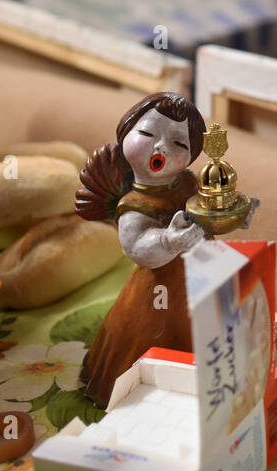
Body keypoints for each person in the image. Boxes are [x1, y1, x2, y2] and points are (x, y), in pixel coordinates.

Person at [74, 92, 207, 407]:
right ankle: (146, 399)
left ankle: (195, 393)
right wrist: (168, 240)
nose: (161, 147)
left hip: (197, 280)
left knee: (198, 335)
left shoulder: (187, 184)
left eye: (179, 144)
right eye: (147, 134)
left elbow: (206, 215)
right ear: (125, 135)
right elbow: (135, 246)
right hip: (154, 289)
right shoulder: (134, 204)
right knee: (150, 335)